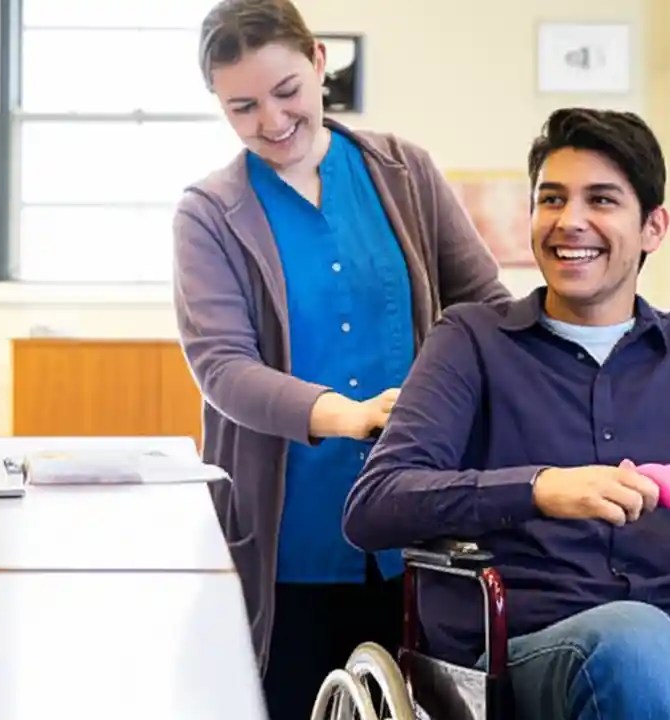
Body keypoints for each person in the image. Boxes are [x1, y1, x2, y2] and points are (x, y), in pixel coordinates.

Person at [343, 107, 670, 719]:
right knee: (635, 640)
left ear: (653, 227)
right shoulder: (469, 342)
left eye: (600, 201)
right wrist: (540, 488)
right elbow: (376, 505)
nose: (569, 221)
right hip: (518, 661)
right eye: (551, 200)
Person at [173, 1, 510, 716]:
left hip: (421, 530)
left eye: (287, 91)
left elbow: (484, 308)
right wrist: (347, 415)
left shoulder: (404, 171)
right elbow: (223, 368)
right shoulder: (208, 212)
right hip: (291, 541)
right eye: (242, 106)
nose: (272, 120)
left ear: (320, 60)